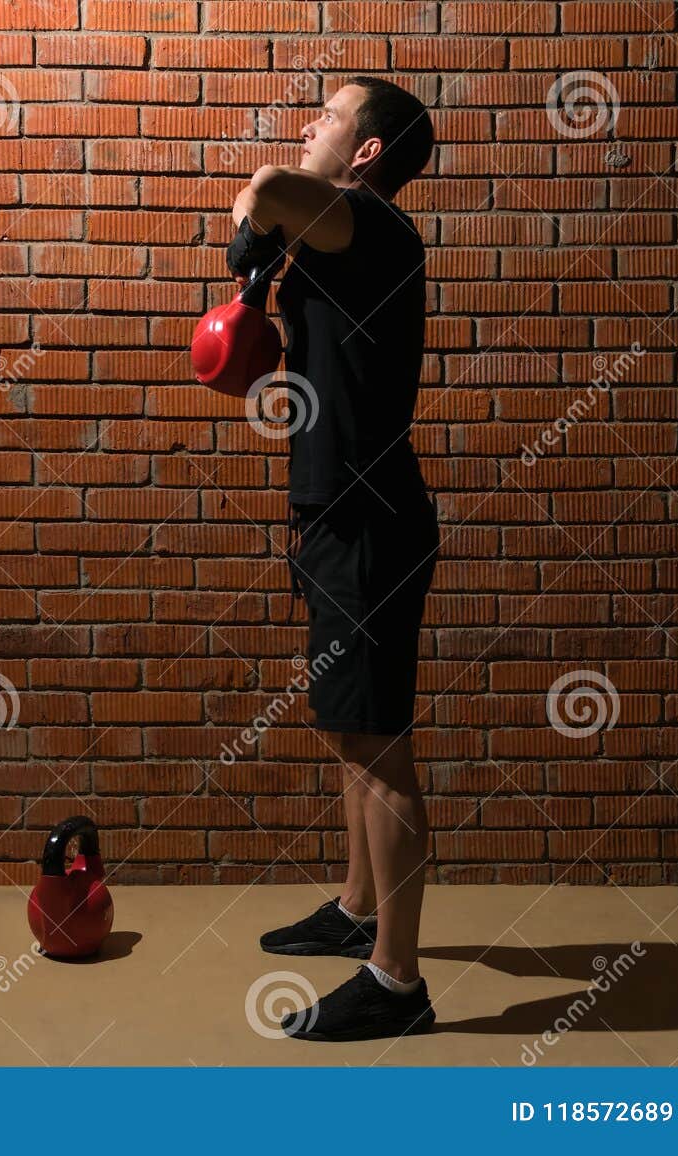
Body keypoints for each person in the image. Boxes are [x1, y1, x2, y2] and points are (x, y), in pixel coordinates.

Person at [226, 77, 439, 1042]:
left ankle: (399, 982)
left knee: (382, 746)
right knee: (350, 730)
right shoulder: (338, 241)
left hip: (371, 522)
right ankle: (359, 911)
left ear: (365, 153)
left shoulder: (375, 226)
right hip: (334, 516)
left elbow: (268, 184)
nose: (308, 123)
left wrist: (252, 230)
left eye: (330, 115)